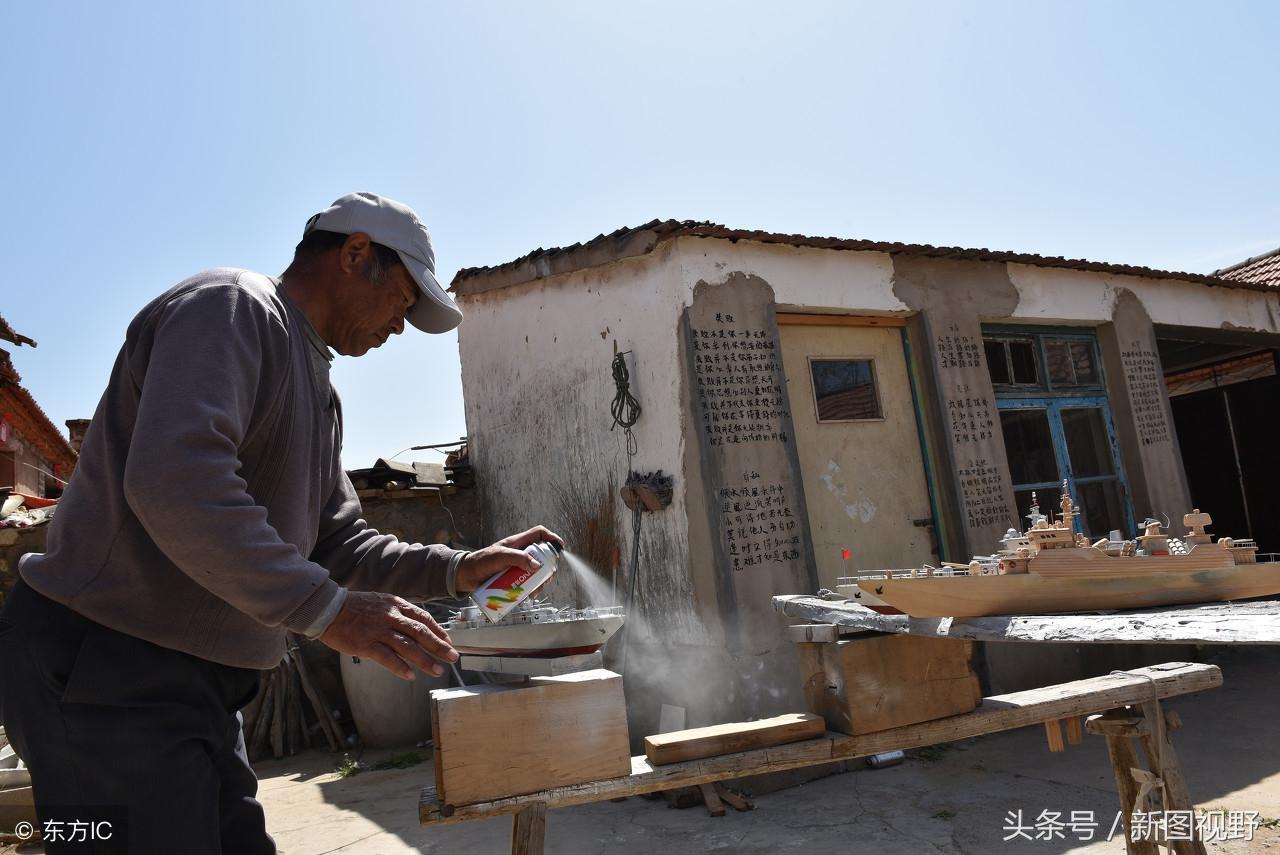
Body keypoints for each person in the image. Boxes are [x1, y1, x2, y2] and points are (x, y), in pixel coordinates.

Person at [0, 192, 561, 854]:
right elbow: (175, 481)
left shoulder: (319, 392)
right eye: (404, 300)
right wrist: (329, 610)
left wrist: (457, 568)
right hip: (106, 661)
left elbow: (338, 541)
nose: (401, 326)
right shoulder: (233, 308)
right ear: (355, 254)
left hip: (196, 685)